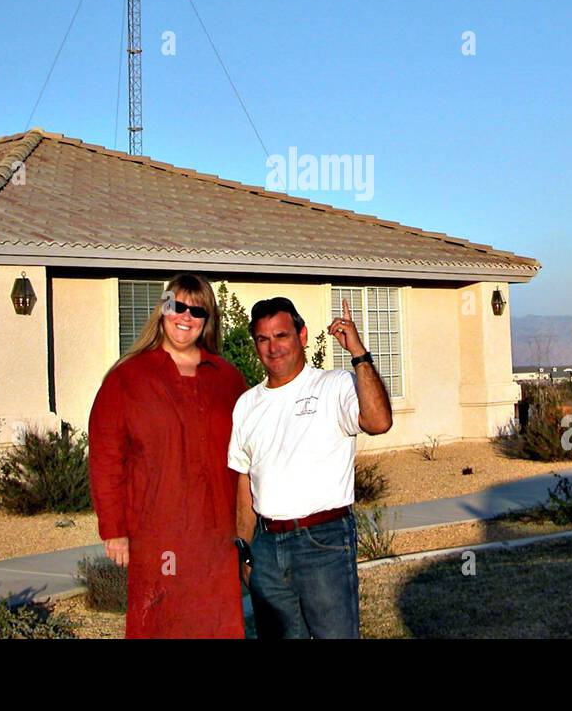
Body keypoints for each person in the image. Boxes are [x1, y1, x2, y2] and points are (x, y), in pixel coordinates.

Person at [88, 273, 248, 638]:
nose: (185, 317)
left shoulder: (228, 379)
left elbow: (247, 458)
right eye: (177, 306)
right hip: (159, 535)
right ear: (163, 309)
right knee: (163, 621)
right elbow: (106, 457)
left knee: (215, 622)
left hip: (216, 536)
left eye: (197, 310)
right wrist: (114, 531)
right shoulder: (127, 378)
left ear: (208, 320)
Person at [228, 296, 393, 638]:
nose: (273, 348)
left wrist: (358, 353)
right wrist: (243, 549)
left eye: (282, 335)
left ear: (302, 336)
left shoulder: (335, 386)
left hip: (324, 543)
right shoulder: (247, 405)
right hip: (267, 547)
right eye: (263, 339)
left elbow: (378, 421)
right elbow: (245, 479)